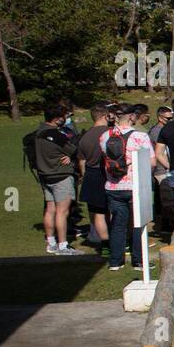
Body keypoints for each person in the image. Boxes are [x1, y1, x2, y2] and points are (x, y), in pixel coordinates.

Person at [100, 105, 155, 271]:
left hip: (113, 185)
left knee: (117, 223)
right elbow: (152, 162)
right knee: (138, 223)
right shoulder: (140, 136)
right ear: (132, 117)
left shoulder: (105, 136)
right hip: (134, 185)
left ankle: (116, 261)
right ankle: (138, 260)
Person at [30, 105, 80, 255]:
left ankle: (51, 242)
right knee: (62, 211)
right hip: (61, 176)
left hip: (45, 175)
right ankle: (63, 245)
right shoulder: (55, 134)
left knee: (50, 209)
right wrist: (70, 156)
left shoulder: (39, 132)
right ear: (57, 119)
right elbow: (72, 149)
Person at [76, 103, 112, 250]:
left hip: (91, 174)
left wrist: (85, 176)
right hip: (108, 174)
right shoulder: (111, 133)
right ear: (105, 116)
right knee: (112, 210)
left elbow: (82, 161)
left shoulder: (85, 136)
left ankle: (104, 246)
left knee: (98, 213)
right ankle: (115, 242)